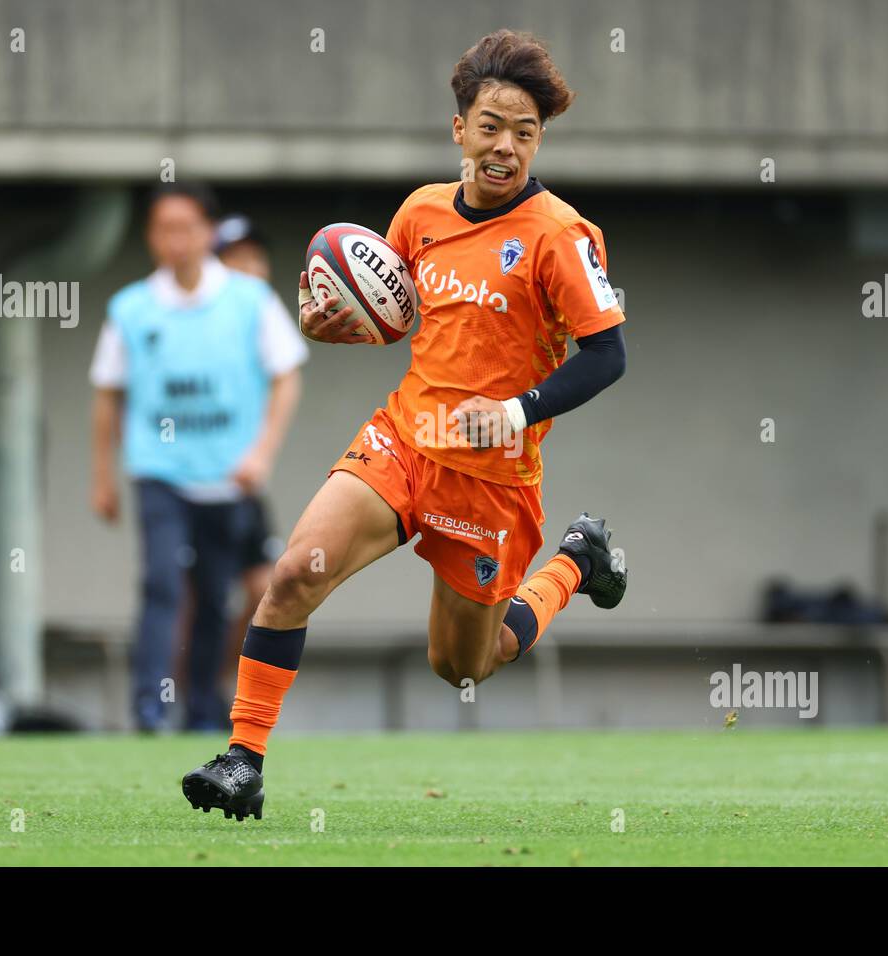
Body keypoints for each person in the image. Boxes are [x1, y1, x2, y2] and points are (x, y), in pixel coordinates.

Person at [183, 29, 629, 821]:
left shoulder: (559, 236)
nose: (505, 147)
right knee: (293, 575)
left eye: (525, 133)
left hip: (492, 481)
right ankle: (243, 759)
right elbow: (391, 315)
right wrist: (330, 324)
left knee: (463, 667)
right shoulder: (421, 212)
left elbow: (607, 355)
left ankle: (572, 564)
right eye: (491, 126)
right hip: (403, 443)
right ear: (459, 128)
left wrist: (518, 410)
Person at [89, 183, 307, 732]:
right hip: (157, 471)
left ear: (208, 233)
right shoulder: (132, 309)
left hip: (228, 477)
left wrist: (261, 454)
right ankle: (148, 705)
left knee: (214, 597)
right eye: (164, 228)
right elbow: (107, 393)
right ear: (150, 237)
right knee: (162, 581)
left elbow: (287, 377)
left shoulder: (249, 300)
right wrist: (103, 477)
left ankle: (203, 709)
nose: (176, 240)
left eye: (186, 227)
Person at [212, 215, 296, 688]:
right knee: (191, 596)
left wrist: (260, 455)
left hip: (243, 483)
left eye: (255, 257)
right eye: (236, 258)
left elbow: (287, 375)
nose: (251, 267)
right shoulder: (196, 315)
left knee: (265, 585)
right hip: (190, 482)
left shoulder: (261, 313)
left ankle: (217, 683)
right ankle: (178, 696)